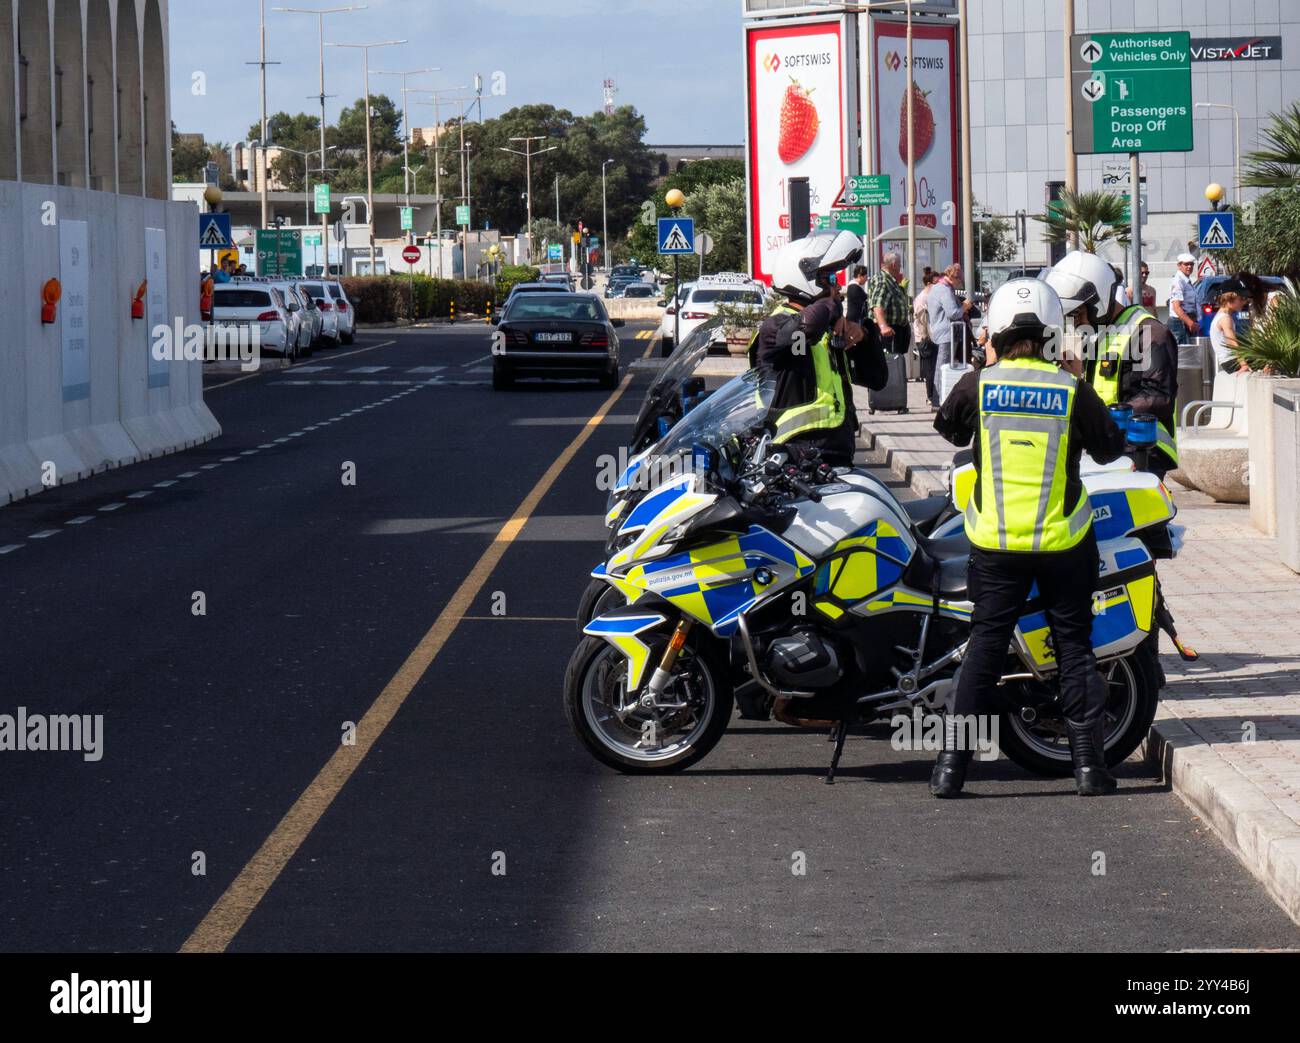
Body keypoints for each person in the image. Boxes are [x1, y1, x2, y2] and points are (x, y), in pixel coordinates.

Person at [931, 278, 1128, 798]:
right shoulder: (1069, 389)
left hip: (995, 544)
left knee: (984, 650)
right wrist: (1080, 379)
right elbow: (1111, 450)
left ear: (994, 330)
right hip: (1063, 543)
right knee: (1074, 649)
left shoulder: (980, 384)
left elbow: (947, 431)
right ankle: (1089, 769)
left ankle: (951, 768)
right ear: (1051, 334)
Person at [1045, 250, 1180, 480]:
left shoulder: (1148, 332)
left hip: (1144, 451)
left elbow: (1159, 396)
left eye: (1077, 313)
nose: (1075, 321)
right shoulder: (1100, 333)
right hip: (1112, 448)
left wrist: (1103, 416)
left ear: (1097, 303)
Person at [755, 230, 872, 467]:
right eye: (829, 279)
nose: (837, 286)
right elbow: (802, 332)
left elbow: (875, 378)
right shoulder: (777, 326)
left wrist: (864, 334)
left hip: (834, 448)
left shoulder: (825, 325)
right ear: (803, 278)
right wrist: (833, 306)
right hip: (793, 450)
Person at [928, 263, 973, 387]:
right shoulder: (945, 290)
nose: (961, 283)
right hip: (947, 334)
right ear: (954, 277)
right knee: (943, 367)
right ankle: (938, 401)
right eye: (960, 280)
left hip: (938, 332)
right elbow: (953, 313)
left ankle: (938, 399)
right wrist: (964, 306)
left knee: (940, 366)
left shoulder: (937, 287)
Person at [867, 251, 912, 358]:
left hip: (896, 332)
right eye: (899, 264)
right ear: (893, 265)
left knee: (896, 364)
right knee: (891, 364)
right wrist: (883, 326)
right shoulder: (883, 280)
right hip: (888, 334)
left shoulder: (890, 280)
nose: (900, 267)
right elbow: (877, 304)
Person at [913, 271, 938, 405]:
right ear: (929, 284)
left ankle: (933, 394)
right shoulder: (922, 299)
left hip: (931, 337)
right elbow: (923, 321)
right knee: (930, 368)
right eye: (936, 283)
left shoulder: (931, 297)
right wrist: (927, 338)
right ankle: (930, 396)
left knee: (933, 367)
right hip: (925, 338)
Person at [1210, 290, 1248, 374]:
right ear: (1229, 301)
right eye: (1240, 299)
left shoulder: (1220, 316)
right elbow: (1231, 341)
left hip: (1228, 361)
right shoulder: (1225, 318)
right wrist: (1244, 364)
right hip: (1231, 361)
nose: (1244, 302)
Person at [1166, 253, 1199, 345]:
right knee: (1183, 356)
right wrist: (1190, 323)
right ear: (1179, 266)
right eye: (1186, 264)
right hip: (1179, 324)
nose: (1189, 267)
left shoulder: (1186, 281)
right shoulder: (1178, 281)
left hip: (1185, 322)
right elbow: (1177, 307)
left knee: (1189, 354)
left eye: (1191, 264)